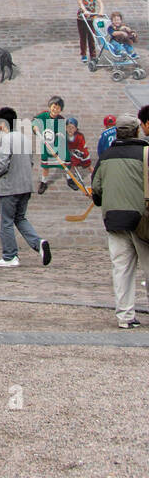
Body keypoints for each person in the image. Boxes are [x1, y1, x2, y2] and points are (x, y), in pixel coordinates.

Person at [91, 115, 149, 329]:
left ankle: (125, 316)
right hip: (143, 221)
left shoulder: (106, 156)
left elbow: (96, 189)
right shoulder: (146, 153)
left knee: (121, 269)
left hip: (114, 219)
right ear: (136, 131)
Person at [0, 107, 50, 269]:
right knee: (20, 218)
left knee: (6, 222)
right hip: (26, 186)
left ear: (3, 123)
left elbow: (3, 163)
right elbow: (30, 162)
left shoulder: (7, 139)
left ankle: (10, 256)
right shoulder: (25, 138)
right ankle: (39, 243)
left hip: (10, 187)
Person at [32, 97, 68, 194]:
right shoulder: (44, 115)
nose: (55, 109)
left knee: (65, 162)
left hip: (56, 144)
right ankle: (43, 182)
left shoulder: (61, 120)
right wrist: (35, 127)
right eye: (54, 107)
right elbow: (35, 121)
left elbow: (62, 135)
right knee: (46, 165)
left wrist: (56, 148)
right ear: (50, 106)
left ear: (61, 110)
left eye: (58, 108)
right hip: (45, 144)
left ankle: (69, 178)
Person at [76, 0, 103, 65]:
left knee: (92, 37)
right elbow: (80, 4)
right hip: (82, 18)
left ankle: (93, 55)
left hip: (92, 18)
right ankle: (83, 54)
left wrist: (101, 11)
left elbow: (100, 2)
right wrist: (85, 11)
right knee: (83, 37)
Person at [65, 116, 91, 190]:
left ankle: (94, 176)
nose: (70, 129)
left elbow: (82, 148)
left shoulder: (79, 136)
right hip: (68, 153)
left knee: (88, 164)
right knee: (70, 164)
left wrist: (77, 154)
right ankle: (70, 179)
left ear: (76, 129)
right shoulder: (63, 135)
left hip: (79, 153)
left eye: (72, 127)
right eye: (68, 127)